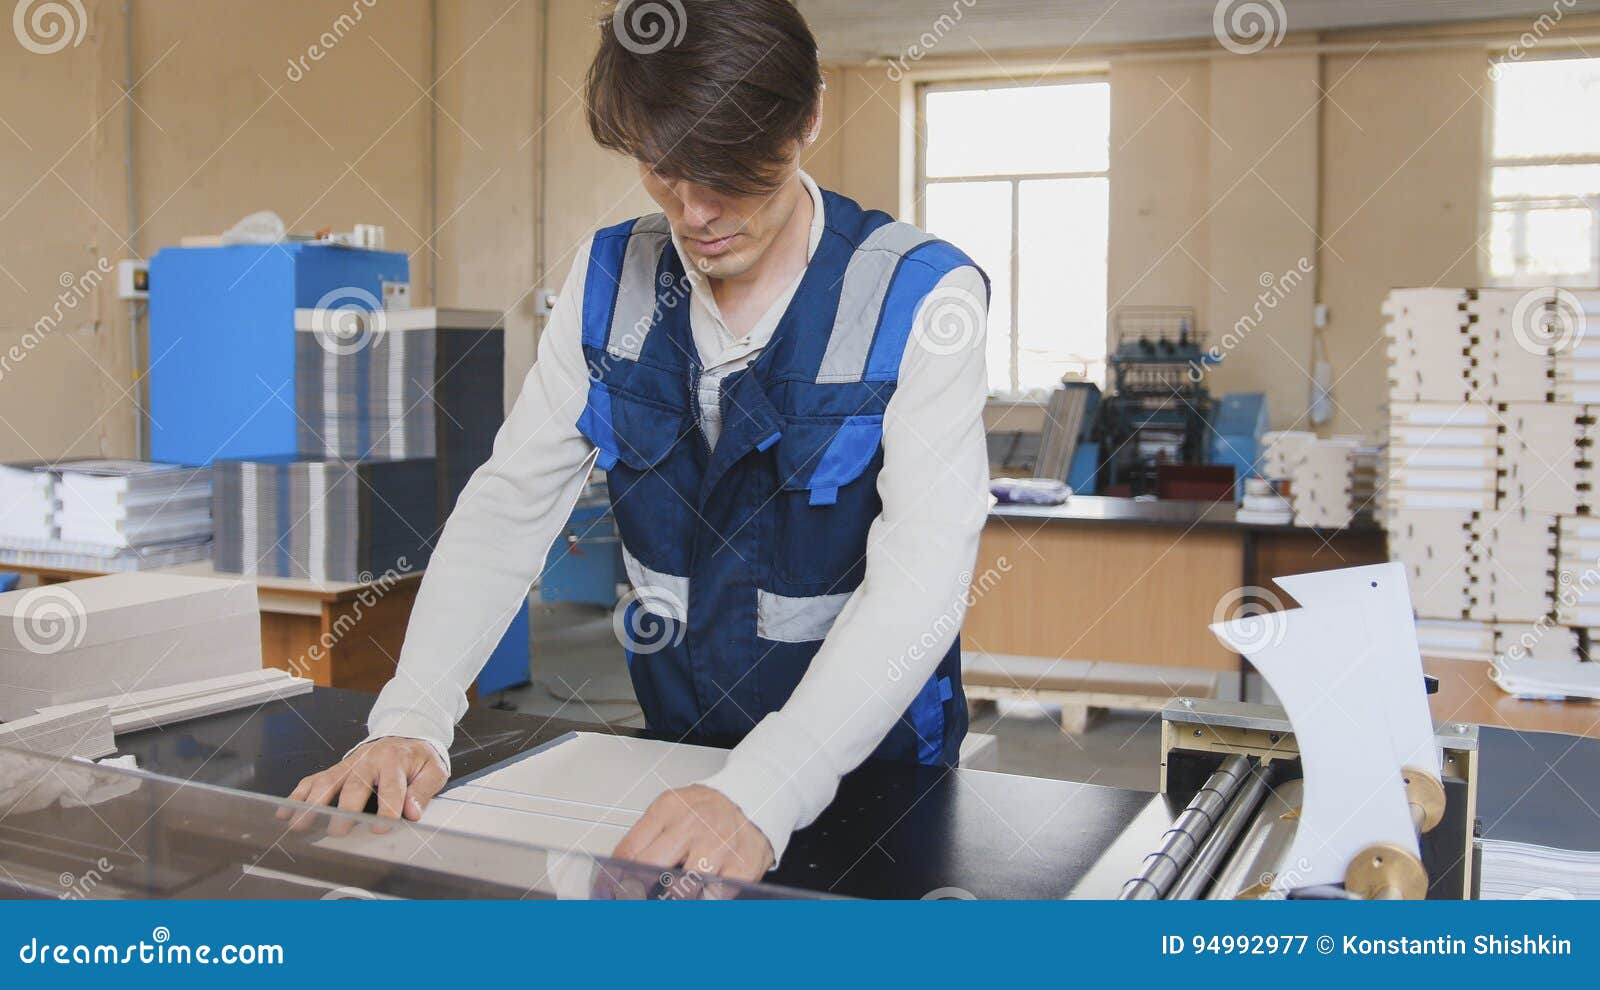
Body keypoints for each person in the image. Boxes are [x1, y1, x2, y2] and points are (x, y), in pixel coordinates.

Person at [286, 0, 990, 883]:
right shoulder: (610, 276)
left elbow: (921, 583)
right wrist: (412, 715)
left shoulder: (924, 294)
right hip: (673, 760)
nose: (696, 214)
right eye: (664, 171)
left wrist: (767, 789)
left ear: (808, 115)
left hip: (875, 782)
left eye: (731, 173)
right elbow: (510, 506)